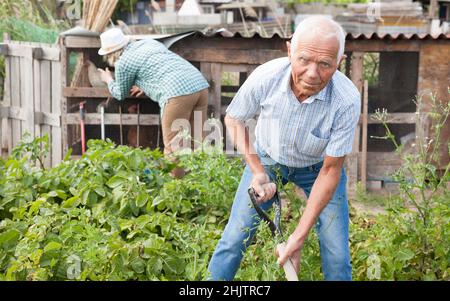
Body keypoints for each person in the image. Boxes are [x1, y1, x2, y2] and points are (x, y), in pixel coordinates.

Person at [207, 16, 361, 280]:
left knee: (336, 252)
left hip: (318, 169)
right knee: (235, 237)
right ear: (289, 50)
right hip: (269, 157)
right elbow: (233, 119)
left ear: (340, 61)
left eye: (325, 64)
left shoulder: (346, 100)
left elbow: (331, 169)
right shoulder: (267, 77)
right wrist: (257, 171)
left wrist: (297, 237)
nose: (313, 73)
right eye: (304, 60)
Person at [97, 28, 209, 177]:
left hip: (177, 92)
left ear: (110, 54)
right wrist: (145, 85)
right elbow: (160, 68)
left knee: (173, 148)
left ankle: (175, 191)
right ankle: (202, 183)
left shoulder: (123, 62)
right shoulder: (149, 43)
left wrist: (108, 79)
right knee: (197, 143)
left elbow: (120, 93)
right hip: (200, 86)